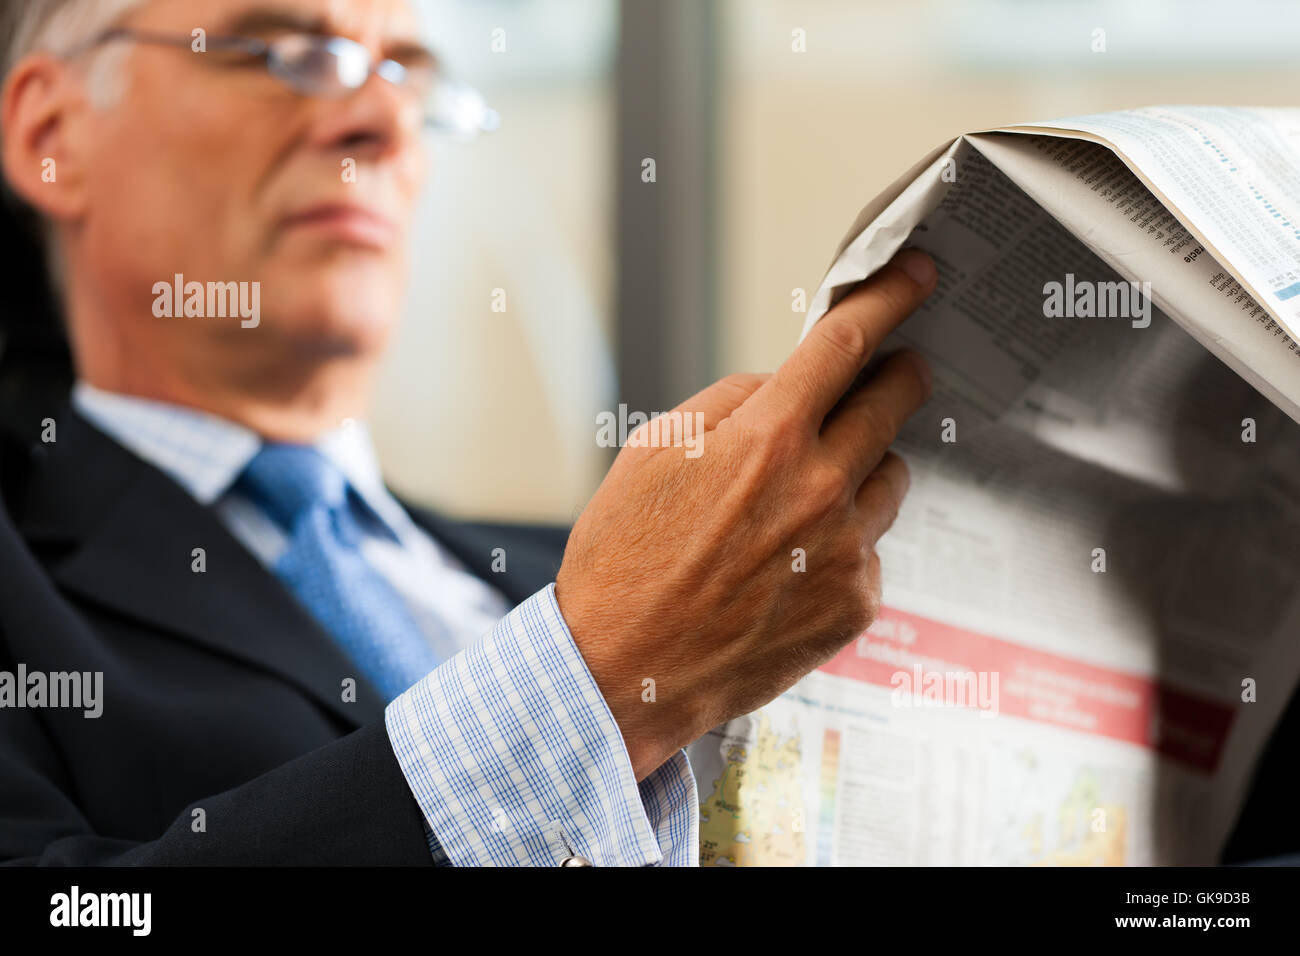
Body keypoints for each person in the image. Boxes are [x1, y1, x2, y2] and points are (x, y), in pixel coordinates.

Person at [0, 0, 935, 866]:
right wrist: (599, 685)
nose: (383, 120)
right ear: (52, 135)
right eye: (288, 55)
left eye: (407, 75)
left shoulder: (590, 564)